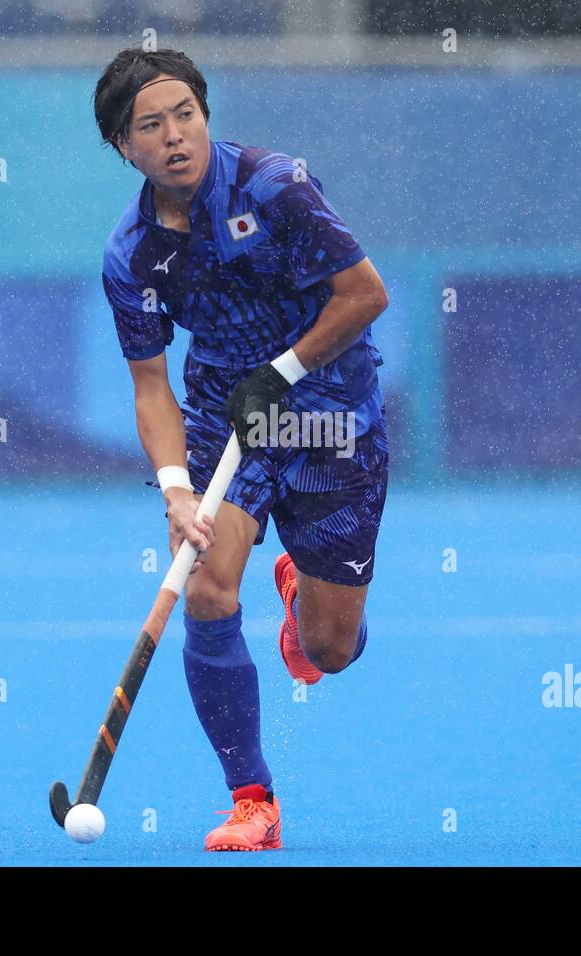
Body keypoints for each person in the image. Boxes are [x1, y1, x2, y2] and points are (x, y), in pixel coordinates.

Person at [94, 47, 390, 851]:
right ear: (125, 148)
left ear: (206, 116)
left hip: (331, 414)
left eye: (185, 114)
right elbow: (150, 383)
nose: (175, 136)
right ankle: (252, 800)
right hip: (226, 420)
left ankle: (302, 594)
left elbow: (365, 294)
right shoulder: (133, 256)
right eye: (150, 126)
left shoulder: (274, 186)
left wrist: (286, 368)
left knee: (331, 650)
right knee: (207, 589)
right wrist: (175, 491)